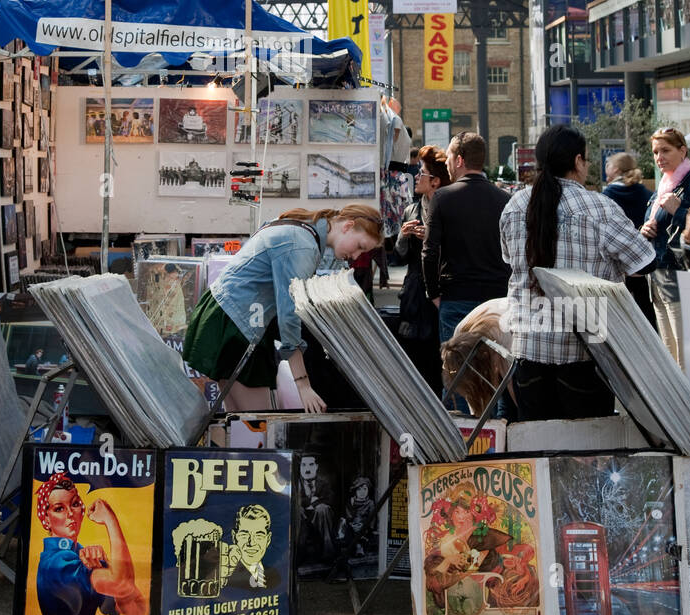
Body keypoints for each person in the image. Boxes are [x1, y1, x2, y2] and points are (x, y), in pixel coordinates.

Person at [500, 124, 655, 420]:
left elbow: (509, 259)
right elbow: (645, 263)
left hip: (528, 347)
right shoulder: (600, 208)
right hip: (585, 353)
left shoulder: (515, 205)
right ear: (577, 161)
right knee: (587, 455)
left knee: (539, 445)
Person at [182, 203, 382, 412]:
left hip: (228, 315)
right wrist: (303, 384)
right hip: (237, 324)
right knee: (257, 422)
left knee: (237, 418)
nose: (357, 256)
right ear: (347, 226)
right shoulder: (302, 244)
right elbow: (289, 315)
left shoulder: (303, 228)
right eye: (360, 246)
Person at [422, 133, 511, 349]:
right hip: (497, 298)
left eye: (450, 158)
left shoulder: (442, 198)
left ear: (460, 160)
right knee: (495, 372)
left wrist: (433, 293)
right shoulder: (506, 199)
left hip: (457, 296)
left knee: (456, 374)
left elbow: (429, 252)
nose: (448, 164)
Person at [34, 472, 145, 615]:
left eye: (74, 504)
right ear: (47, 519)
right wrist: (110, 521)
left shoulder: (79, 552)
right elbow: (123, 586)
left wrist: (111, 574)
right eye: (59, 508)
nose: (70, 514)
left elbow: (134, 608)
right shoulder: (58, 563)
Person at [393, 145, 451, 396]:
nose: (416, 176)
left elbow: (456, 250)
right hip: (415, 293)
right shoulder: (411, 210)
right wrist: (404, 237)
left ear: (436, 181)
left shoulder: (448, 208)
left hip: (440, 292)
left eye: (422, 173)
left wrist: (431, 238)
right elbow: (401, 255)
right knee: (413, 353)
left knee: (440, 354)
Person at [641, 127, 690, 367]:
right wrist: (644, 229)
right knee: (669, 354)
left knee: (684, 353)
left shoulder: (687, 182)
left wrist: (678, 212)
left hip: (678, 274)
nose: (659, 157)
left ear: (683, 151)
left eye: (665, 150)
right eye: (655, 152)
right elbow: (654, 224)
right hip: (657, 275)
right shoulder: (665, 184)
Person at [603, 151, 657, 327]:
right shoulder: (646, 194)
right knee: (646, 312)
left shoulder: (607, 196)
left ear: (616, 169)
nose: (606, 169)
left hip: (619, 263)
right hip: (644, 260)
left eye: (608, 165)